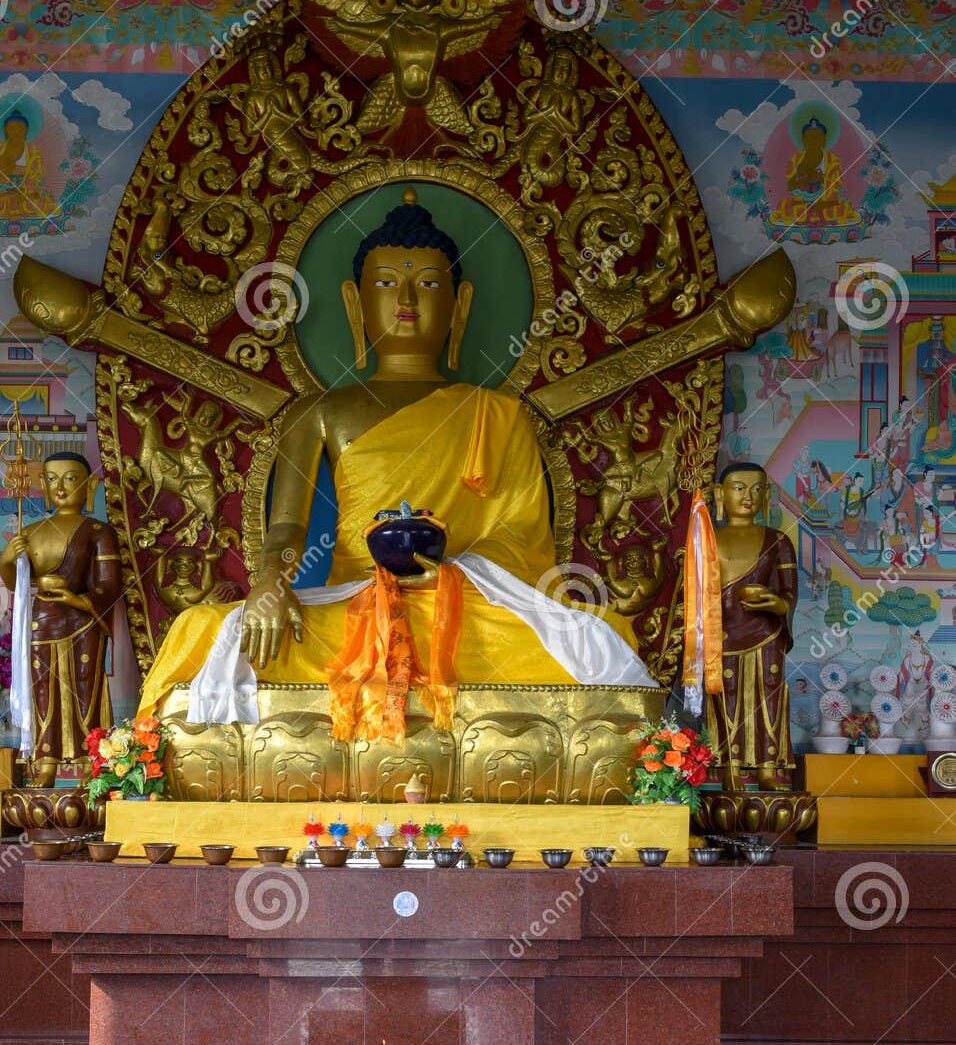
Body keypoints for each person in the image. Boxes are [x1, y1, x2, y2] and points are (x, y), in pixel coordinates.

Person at [137, 191, 652, 742]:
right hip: (350, 605)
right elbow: (286, 527)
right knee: (203, 628)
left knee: (602, 633)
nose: (406, 298)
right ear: (356, 304)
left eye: (429, 284)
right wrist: (268, 581)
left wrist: (454, 573)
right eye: (386, 283)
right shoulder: (319, 412)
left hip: (466, 611)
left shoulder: (499, 415)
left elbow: (520, 536)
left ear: (460, 305)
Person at [0, 453, 122, 786]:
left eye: (70, 478)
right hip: (41, 625)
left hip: (83, 622)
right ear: (42, 485)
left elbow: (110, 585)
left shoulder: (98, 531)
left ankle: (90, 764)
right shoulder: (31, 531)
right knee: (43, 691)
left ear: (89, 485)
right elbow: (17, 584)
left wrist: (77, 599)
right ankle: (46, 763)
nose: (61, 487)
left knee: (86, 689)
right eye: (52, 479)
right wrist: (8, 560)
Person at [707, 463, 798, 789]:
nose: (749, 496)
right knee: (727, 693)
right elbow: (699, 590)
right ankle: (728, 765)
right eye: (739, 488)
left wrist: (777, 604)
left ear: (767, 496)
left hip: (766, 632)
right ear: (720, 493)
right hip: (725, 632)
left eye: (757, 489)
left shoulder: (777, 541)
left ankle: (766, 767)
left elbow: (788, 593)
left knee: (767, 694)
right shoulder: (708, 538)